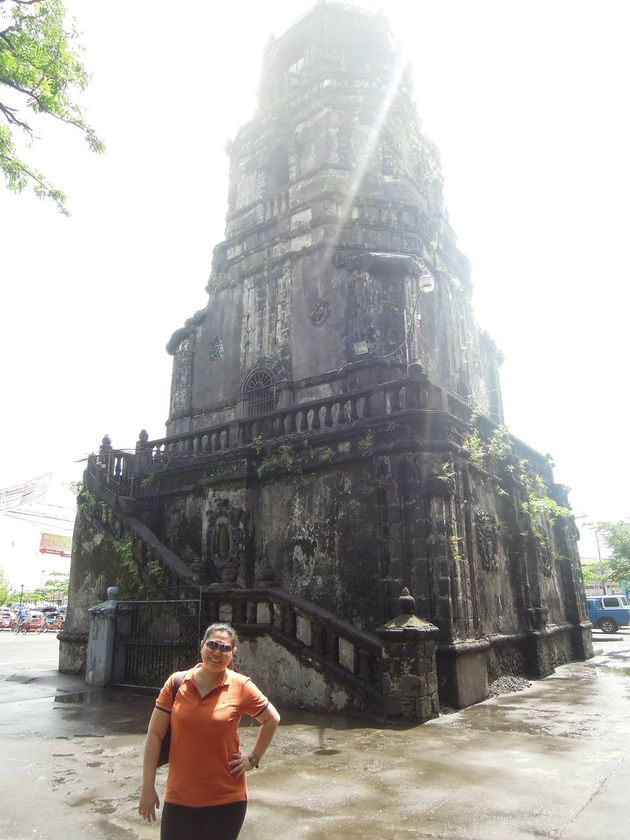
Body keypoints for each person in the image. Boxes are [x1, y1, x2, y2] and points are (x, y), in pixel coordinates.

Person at [138, 622, 280, 839]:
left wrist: (252, 759)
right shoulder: (176, 682)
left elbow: (271, 719)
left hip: (226, 799)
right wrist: (147, 786)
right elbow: (155, 735)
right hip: (179, 797)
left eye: (225, 648)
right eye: (213, 645)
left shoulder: (241, 685)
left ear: (233, 653)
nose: (217, 652)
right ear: (201, 645)